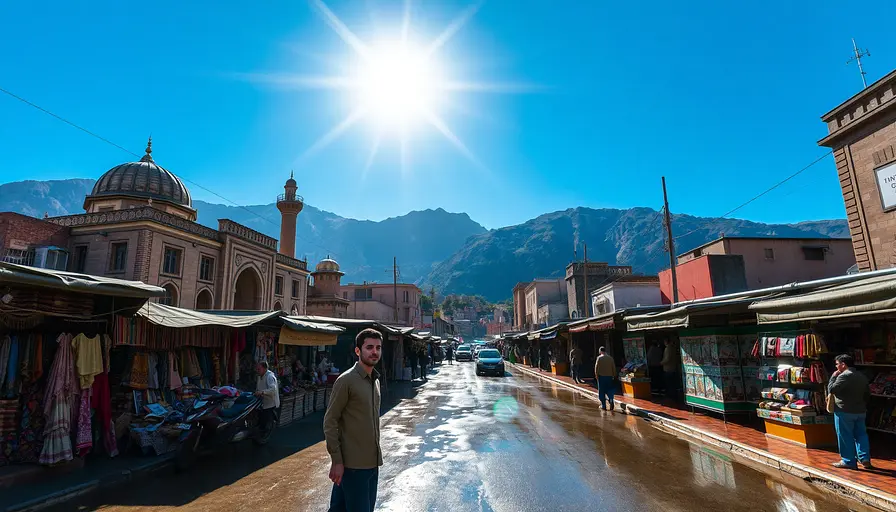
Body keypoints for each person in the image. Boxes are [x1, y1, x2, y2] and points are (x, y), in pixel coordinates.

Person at [324, 328, 384, 512]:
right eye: (369, 347)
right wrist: (337, 460)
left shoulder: (374, 381)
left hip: (371, 464)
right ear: (358, 351)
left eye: (378, 348)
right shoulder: (346, 381)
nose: (374, 352)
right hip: (353, 466)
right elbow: (330, 421)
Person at [828, 354, 873, 470]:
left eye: (837, 364)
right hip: (860, 411)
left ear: (843, 364)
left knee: (845, 436)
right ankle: (865, 458)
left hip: (844, 411)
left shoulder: (844, 376)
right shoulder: (862, 376)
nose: (836, 367)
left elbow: (832, 389)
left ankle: (848, 461)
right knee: (861, 435)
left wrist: (833, 377)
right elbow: (868, 394)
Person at [254, 361, 280, 436]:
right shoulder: (260, 376)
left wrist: (262, 392)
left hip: (270, 404)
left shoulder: (270, 376)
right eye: (257, 369)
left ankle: (264, 434)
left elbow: (273, 390)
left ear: (265, 368)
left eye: (259, 369)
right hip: (262, 402)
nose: (257, 371)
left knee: (265, 421)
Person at [594, 346, 616, 411]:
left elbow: (596, 368)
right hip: (609, 377)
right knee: (609, 389)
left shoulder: (599, 358)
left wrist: (596, 375)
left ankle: (603, 405)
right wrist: (614, 375)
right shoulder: (610, 358)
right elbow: (613, 367)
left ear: (600, 351)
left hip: (601, 377)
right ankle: (611, 399)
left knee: (602, 391)